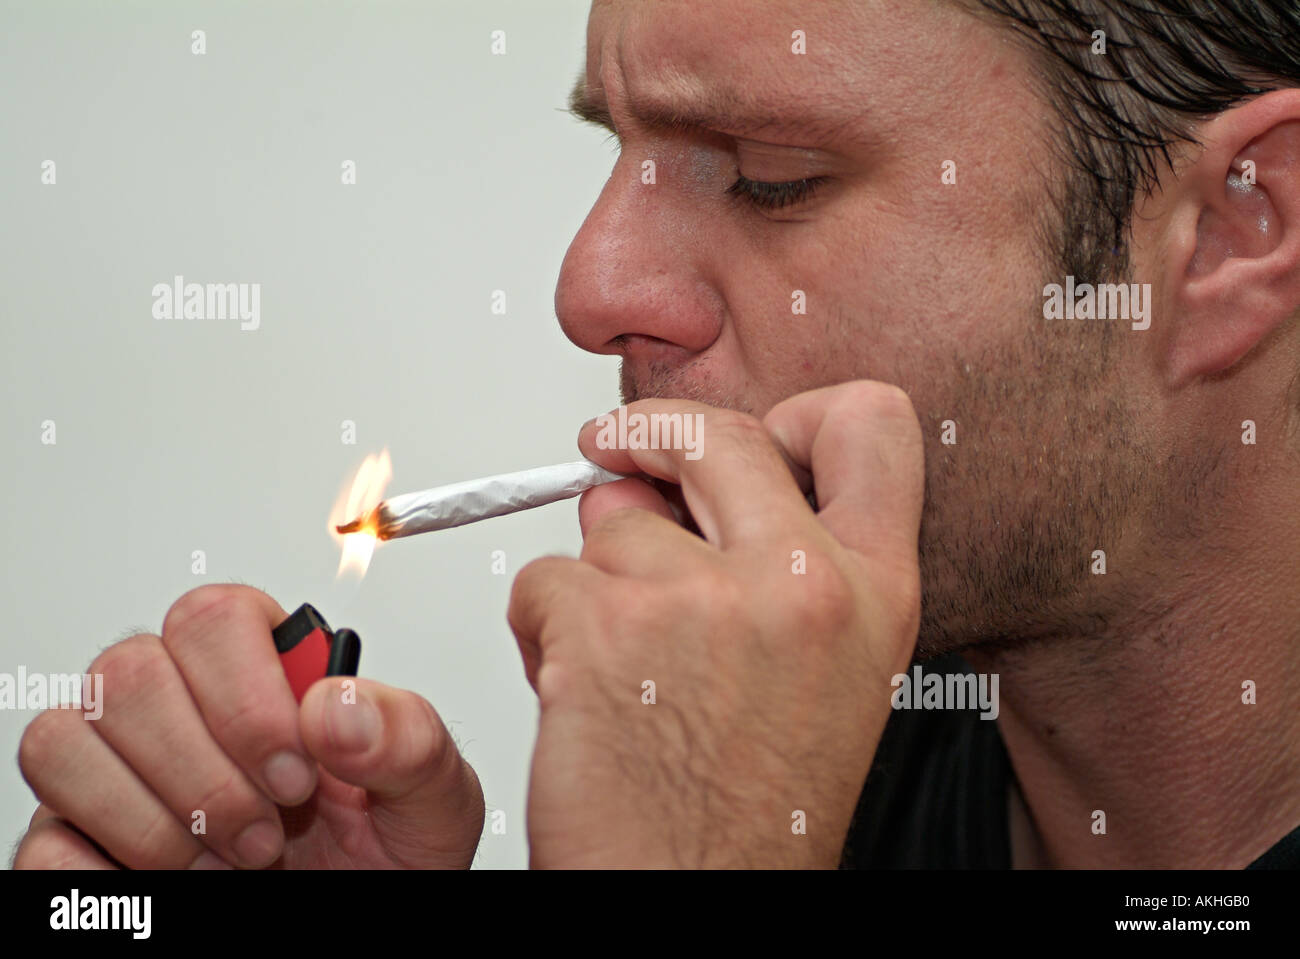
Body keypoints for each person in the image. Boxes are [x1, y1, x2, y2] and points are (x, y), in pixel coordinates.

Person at [13, 0, 1300, 869]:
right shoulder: (829, 750)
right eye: (616, 146)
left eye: (769, 174)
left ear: (1236, 232)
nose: (590, 287)